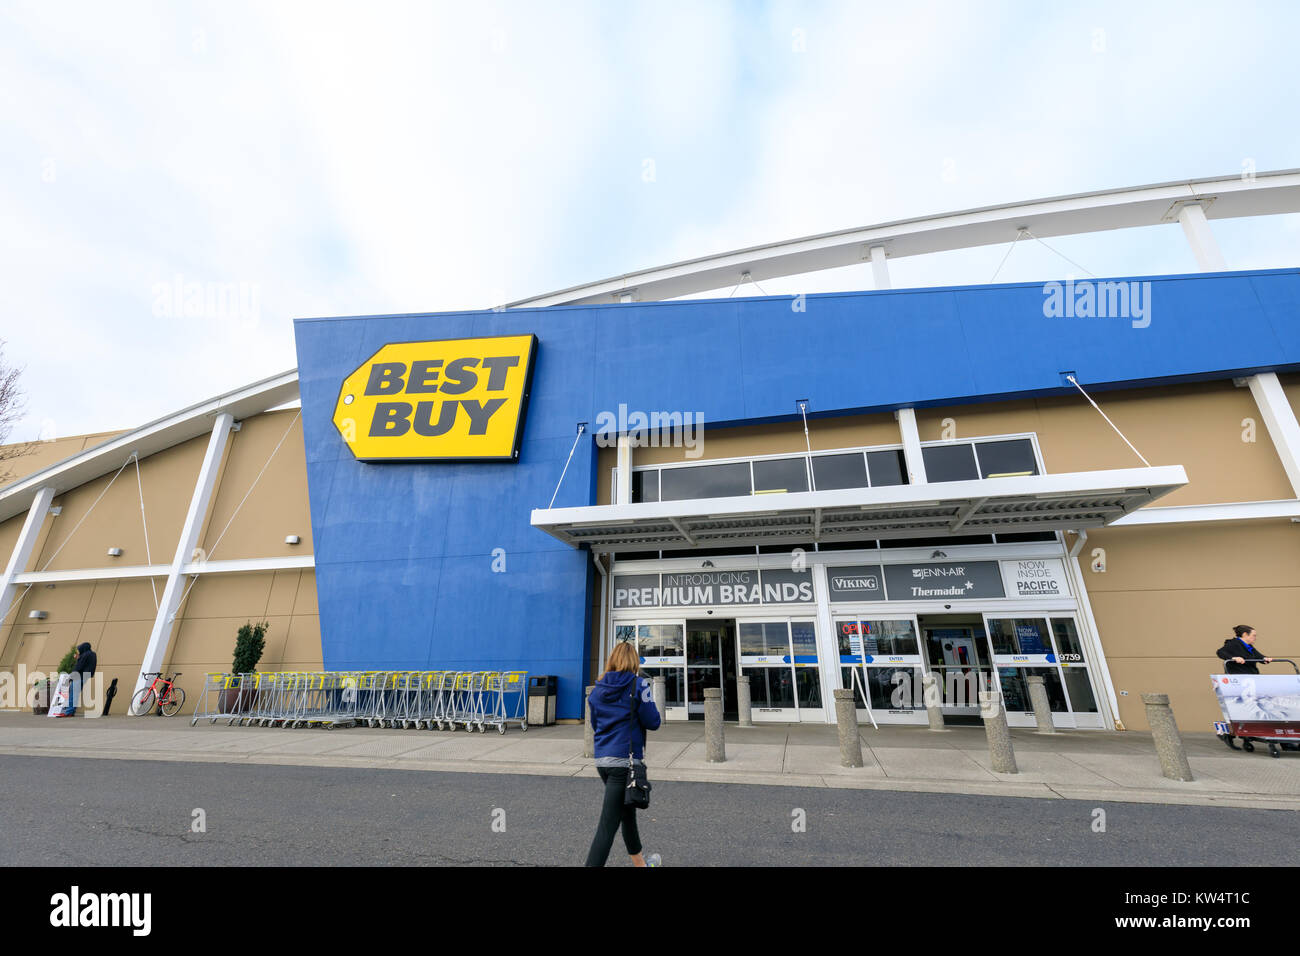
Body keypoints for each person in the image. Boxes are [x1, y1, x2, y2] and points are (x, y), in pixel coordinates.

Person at [584, 641, 661, 867]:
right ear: (634, 662)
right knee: (607, 827)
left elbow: (596, 725)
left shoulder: (597, 689)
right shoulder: (639, 685)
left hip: (603, 760)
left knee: (627, 812)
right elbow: (653, 721)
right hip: (624, 763)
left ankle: (641, 864)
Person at [66, 642, 97, 716]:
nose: (79, 651)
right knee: (76, 693)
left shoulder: (85, 655)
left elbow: (79, 666)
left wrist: (71, 676)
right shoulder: (93, 654)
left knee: (73, 694)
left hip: (79, 676)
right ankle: (71, 711)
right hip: (86, 676)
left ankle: (69, 712)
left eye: (79, 649)